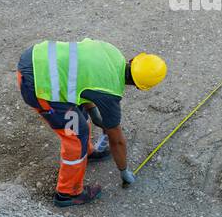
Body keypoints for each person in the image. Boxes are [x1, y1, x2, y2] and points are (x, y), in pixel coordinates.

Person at [16, 38, 167, 206]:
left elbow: (82, 79)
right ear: (140, 86)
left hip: (35, 57)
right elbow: (116, 140)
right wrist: (124, 171)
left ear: (133, 60)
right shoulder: (110, 94)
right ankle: (68, 193)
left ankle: (87, 152)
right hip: (37, 84)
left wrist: (93, 113)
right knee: (75, 136)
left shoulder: (113, 53)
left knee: (78, 116)